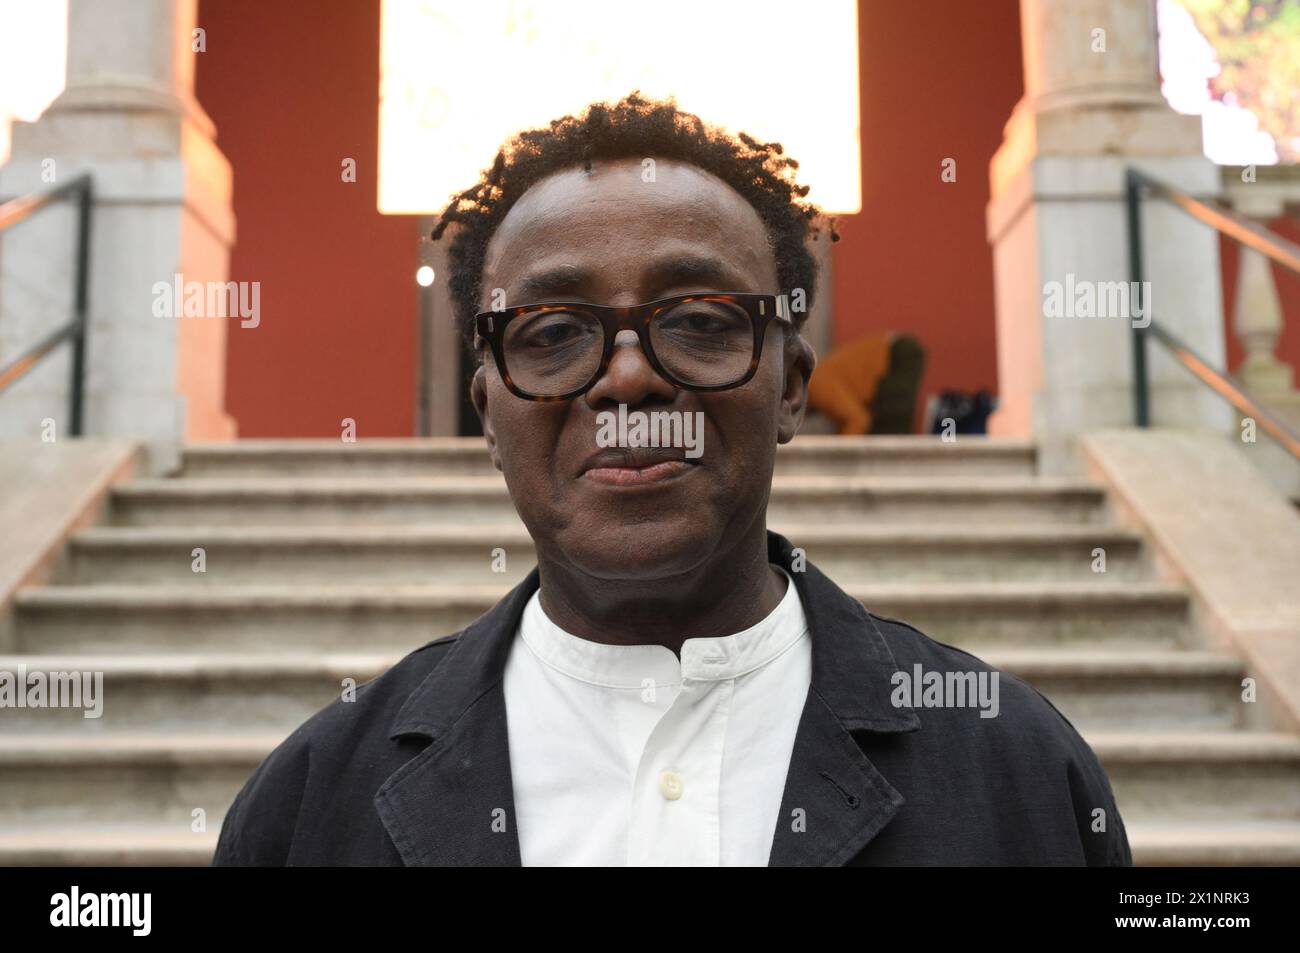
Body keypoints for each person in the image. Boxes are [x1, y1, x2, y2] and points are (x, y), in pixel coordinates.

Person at [212, 92, 1130, 866]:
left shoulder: (1019, 774)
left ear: (791, 388)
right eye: (552, 332)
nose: (627, 378)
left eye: (698, 320)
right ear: (488, 413)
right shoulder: (310, 805)